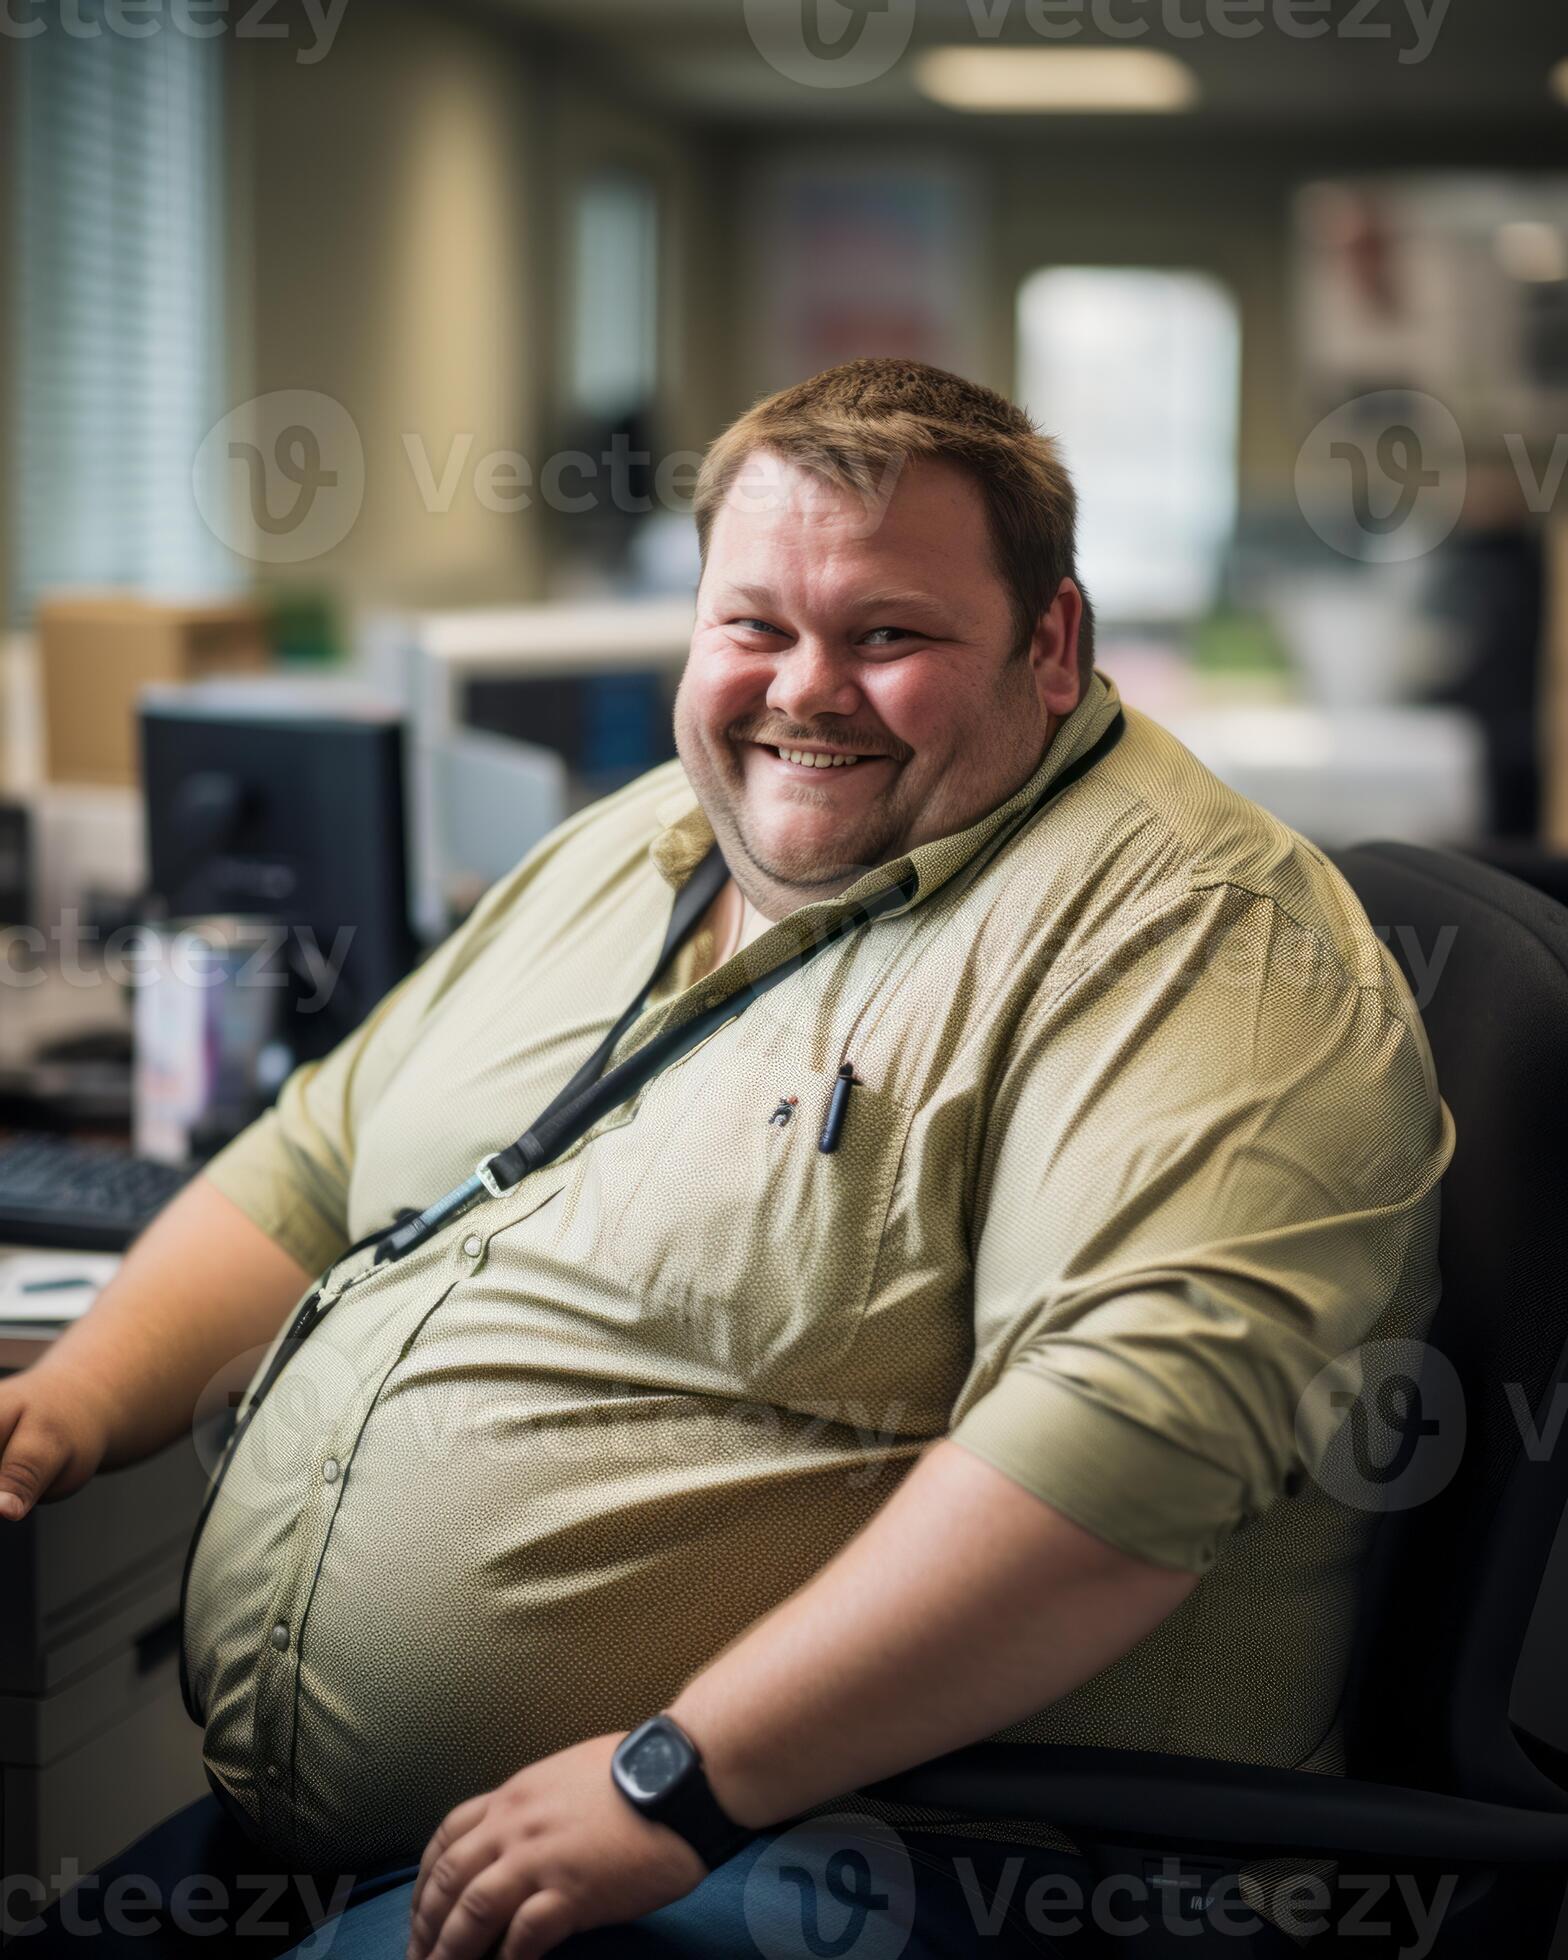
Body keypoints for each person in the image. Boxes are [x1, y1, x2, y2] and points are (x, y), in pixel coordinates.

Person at [1, 359, 1452, 1959]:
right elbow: (315, 1157)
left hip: (887, 1854)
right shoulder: (642, 843)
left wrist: (676, 1778)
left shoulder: (1194, 938)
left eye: (886, 636)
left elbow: (1124, 1455)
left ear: (1052, 644)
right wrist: (67, 1406)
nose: (804, 692)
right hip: (443, 1841)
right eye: (754, 625)